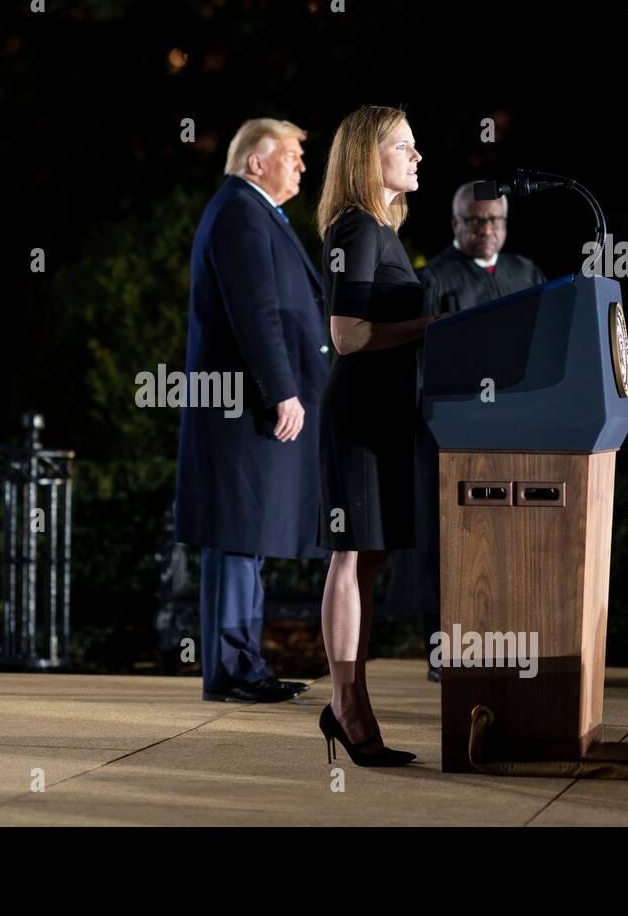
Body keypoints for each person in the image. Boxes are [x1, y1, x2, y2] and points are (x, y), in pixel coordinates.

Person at [175, 118, 329, 704]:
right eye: (290, 154)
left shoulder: (251, 210)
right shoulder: (240, 209)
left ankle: (244, 667)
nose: (301, 164)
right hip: (242, 409)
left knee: (248, 537)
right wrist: (280, 390)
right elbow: (254, 310)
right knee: (238, 537)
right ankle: (233, 672)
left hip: (245, 408)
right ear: (254, 161)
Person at [314, 105, 446, 765]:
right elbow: (346, 334)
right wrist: (431, 328)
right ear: (371, 157)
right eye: (405, 146)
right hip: (360, 415)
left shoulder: (374, 231)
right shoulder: (359, 228)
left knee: (365, 558)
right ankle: (347, 707)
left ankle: (350, 703)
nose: (418, 157)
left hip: (382, 413)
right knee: (350, 555)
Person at [392, 182, 548, 681]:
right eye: (476, 220)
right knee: (443, 540)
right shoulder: (432, 280)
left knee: (505, 538)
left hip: (511, 432)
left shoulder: (527, 274)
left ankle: (506, 642)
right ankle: (443, 652)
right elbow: (416, 364)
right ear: (456, 223)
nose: (487, 229)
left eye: (495, 220)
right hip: (445, 435)